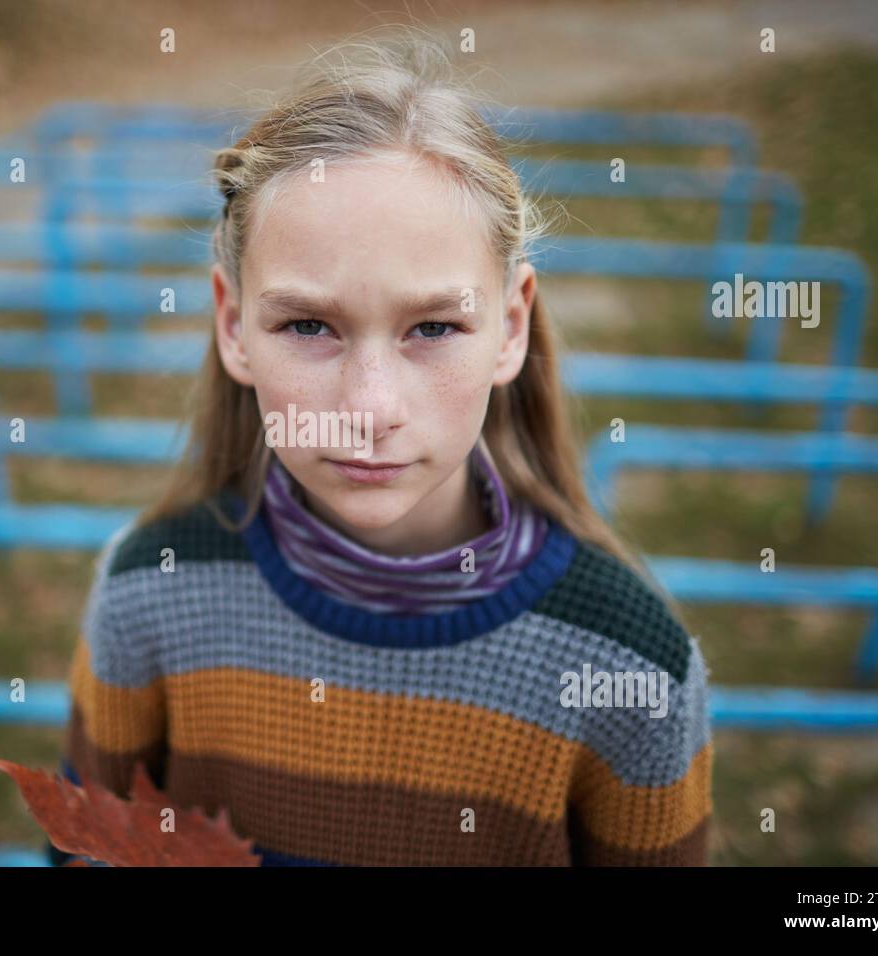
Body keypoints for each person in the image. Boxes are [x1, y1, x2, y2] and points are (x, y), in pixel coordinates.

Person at [51, 27, 712, 866]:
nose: (370, 407)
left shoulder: (630, 666)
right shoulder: (148, 597)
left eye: (433, 326)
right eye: (308, 325)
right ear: (232, 324)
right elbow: (84, 847)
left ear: (510, 327)